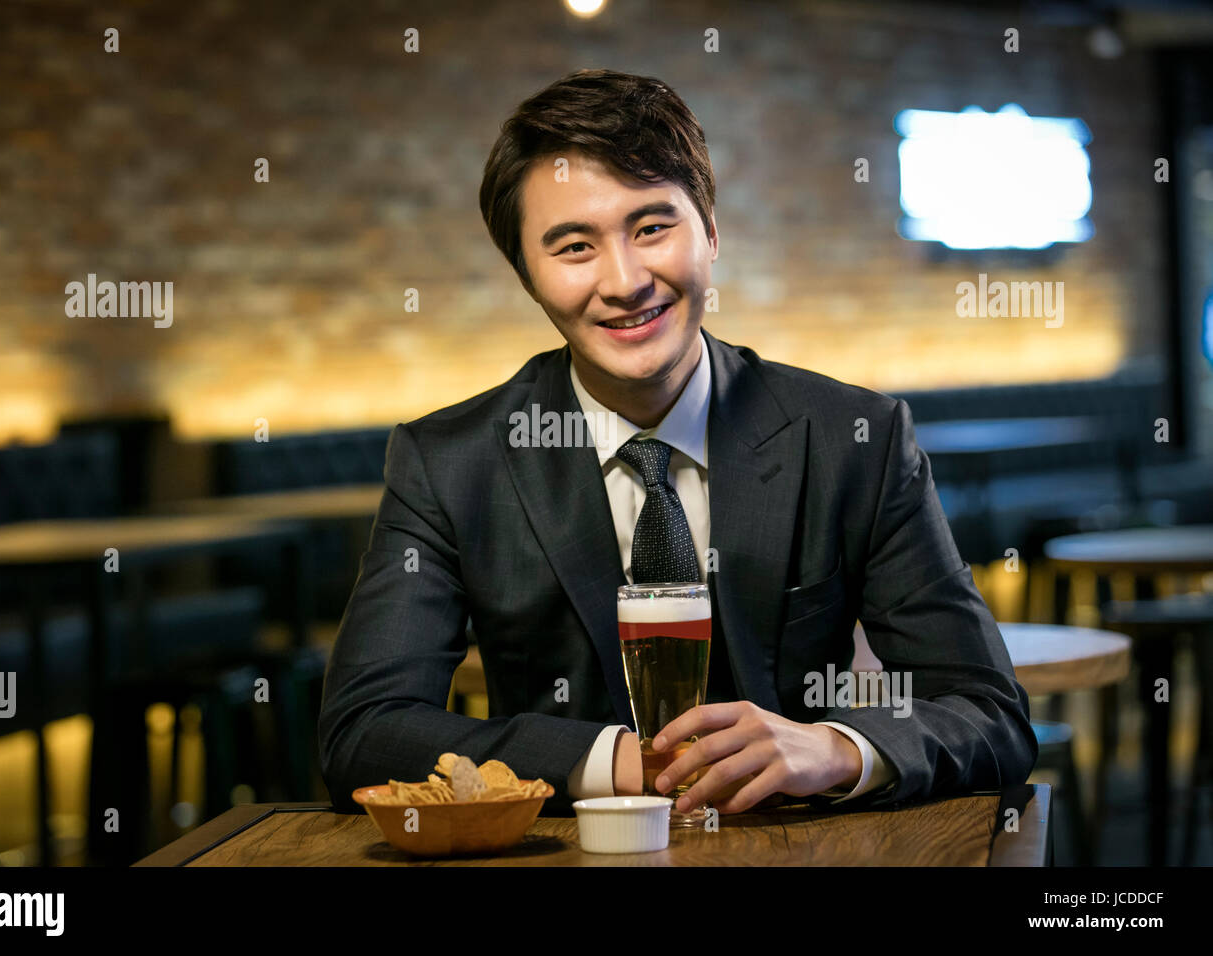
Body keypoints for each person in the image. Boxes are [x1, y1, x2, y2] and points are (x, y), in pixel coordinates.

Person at [318, 68, 1037, 816]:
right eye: (573, 247)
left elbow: (990, 713)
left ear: (712, 231)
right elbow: (363, 732)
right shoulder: (451, 463)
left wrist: (834, 747)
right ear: (527, 276)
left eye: (653, 227)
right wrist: (621, 762)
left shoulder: (855, 439)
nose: (626, 280)